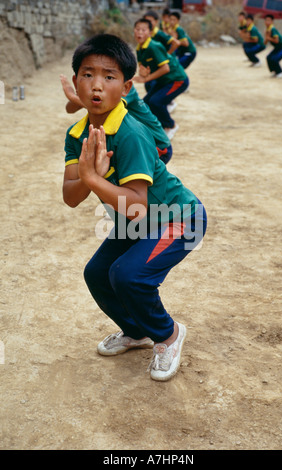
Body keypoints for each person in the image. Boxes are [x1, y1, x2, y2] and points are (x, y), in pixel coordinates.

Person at [62, 33, 207, 382]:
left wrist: (95, 180)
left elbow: (138, 205)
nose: (97, 85)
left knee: (128, 275)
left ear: (126, 87)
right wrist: (86, 177)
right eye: (87, 74)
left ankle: (168, 335)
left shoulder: (131, 133)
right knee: (97, 274)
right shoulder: (77, 133)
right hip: (138, 223)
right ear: (75, 83)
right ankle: (137, 331)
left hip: (181, 220)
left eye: (109, 76)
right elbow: (70, 195)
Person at [60, 75, 173, 164]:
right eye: (88, 74)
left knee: (135, 187)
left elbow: (103, 107)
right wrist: (78, 93)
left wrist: (72, 96)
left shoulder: (121, 86)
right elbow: (70, 109)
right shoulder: (97, 86)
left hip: (157, 146)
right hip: (133, 144)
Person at [134, 18, 189, 140]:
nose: (140, 33)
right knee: (146, 103)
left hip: (177, 80)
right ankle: (155, 129)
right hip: (164, 81)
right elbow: (144, 70)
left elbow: (165, 68)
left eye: (143, 30)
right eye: (137, 29)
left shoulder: (154, 46)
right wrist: (143, 75)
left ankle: (171, 125)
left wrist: (147, 78)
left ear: (150, 32)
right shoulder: (139, 48)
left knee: (156, 102)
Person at [264, 14, 282, 78]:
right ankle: (275, 71)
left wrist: (268, 38)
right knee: (268, 57)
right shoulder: (267, 30)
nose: (267, 22)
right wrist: (266, 38)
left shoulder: (273, 29)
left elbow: (276, 41)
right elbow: (265, 42)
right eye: (266, 20)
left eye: (269, 20)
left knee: (275, 59)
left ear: (272, 22)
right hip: (278, 47)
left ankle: (280, 72)